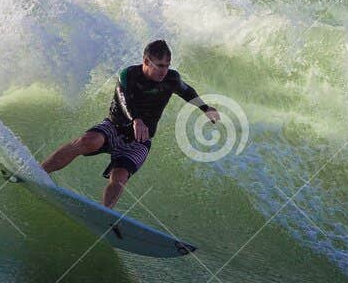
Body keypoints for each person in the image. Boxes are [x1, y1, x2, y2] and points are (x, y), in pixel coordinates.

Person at [41, 39, 220, 209]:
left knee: (120, 176)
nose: (163, 71)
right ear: (146, 61)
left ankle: (105, 212)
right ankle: (39, 172)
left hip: (140, 140)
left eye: (167, 65)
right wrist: (136, 120)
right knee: (89, 141)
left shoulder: (171, 79)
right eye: (159, 65)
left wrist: (205, 108)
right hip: (114, 127)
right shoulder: (128, 75)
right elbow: (123, 100)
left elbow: (187, 92)